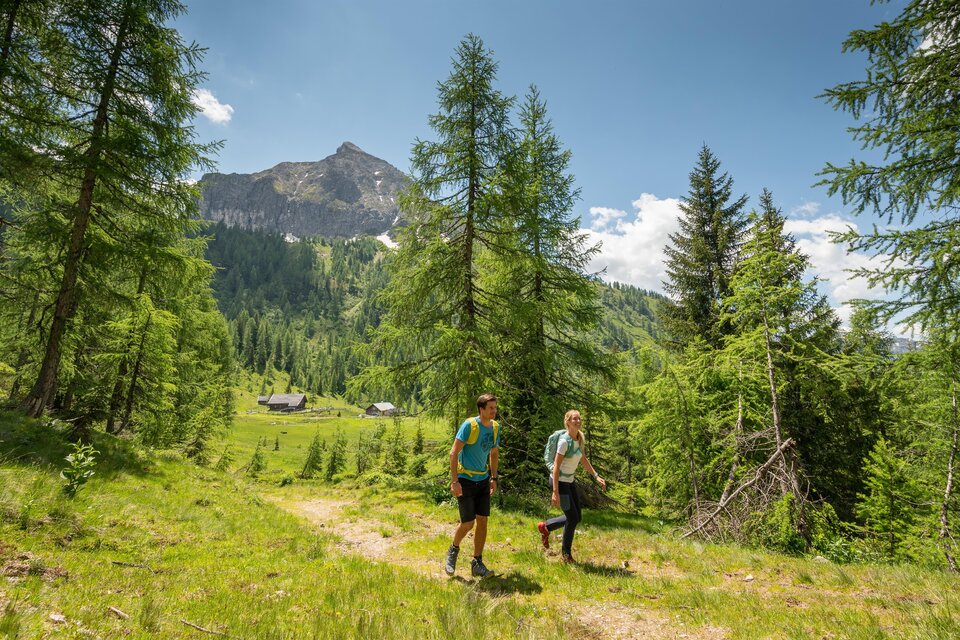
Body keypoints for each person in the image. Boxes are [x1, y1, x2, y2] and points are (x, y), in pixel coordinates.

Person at [537, 409, 605, 563]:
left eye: (579, 418)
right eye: (574, 419)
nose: (578, 421)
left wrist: (596, 476)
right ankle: (566, 555)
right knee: (573, 518)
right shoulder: (564, 442)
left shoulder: (579, 438)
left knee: (576, 517)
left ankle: (546, 527)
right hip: (559, 483)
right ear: (567, 422)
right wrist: (555, 492)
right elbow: (556, 467)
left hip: (570, 482)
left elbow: (583, 459)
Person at [444, 393, 500, 578]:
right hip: (465, 480)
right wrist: (455, 481)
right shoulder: (470, 426)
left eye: (495, 407)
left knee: (483, 520)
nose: (494, 411)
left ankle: (477, 562)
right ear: (481, 409)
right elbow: (453, 453)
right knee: (468, 523)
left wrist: (494, 478)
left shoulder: (495, 427)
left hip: (483, 480)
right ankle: (453, 549)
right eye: (490, 408)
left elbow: (493, 453)